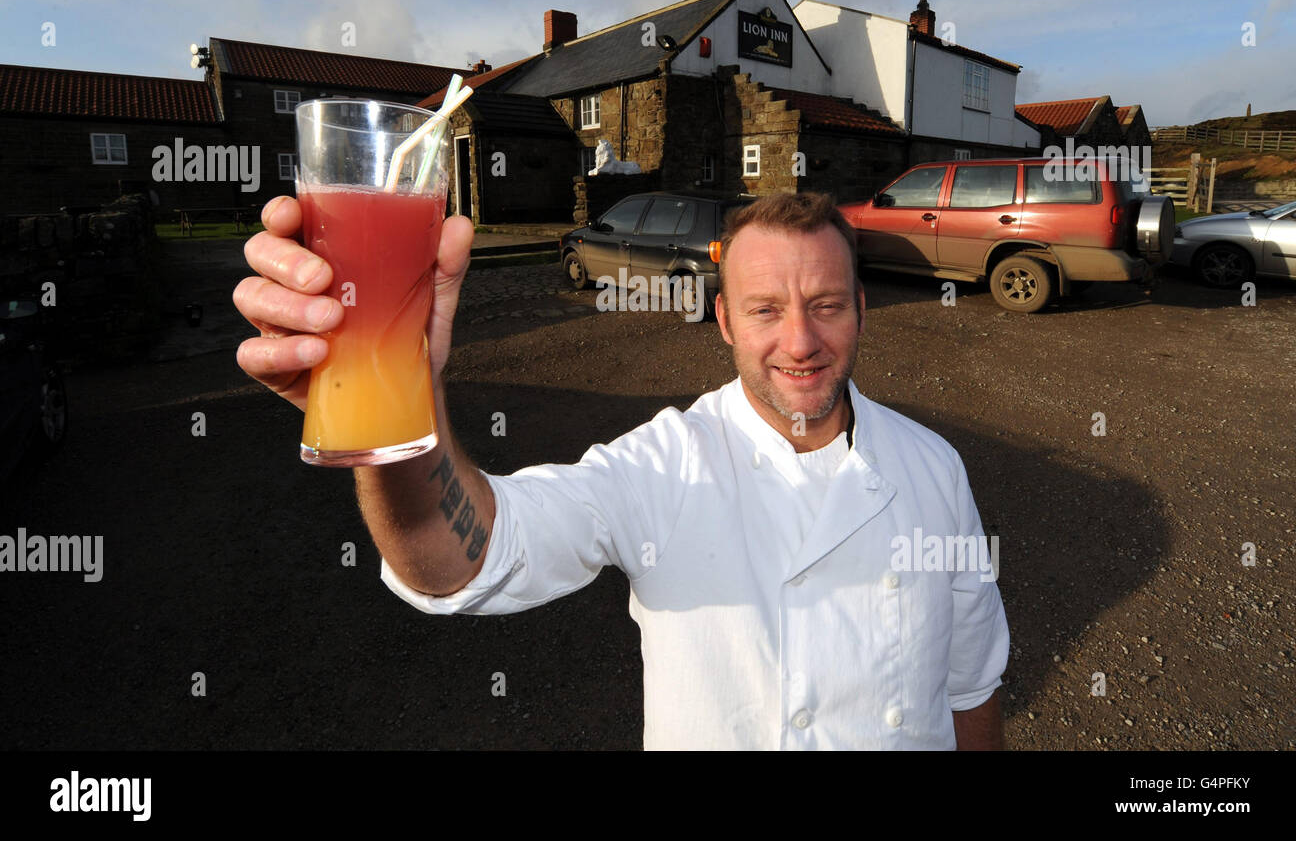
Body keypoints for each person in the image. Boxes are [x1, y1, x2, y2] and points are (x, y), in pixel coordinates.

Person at [234, 190, 1010, 750]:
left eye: (827, 304)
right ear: (726, 322)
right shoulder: (661, 465)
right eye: (767, 309)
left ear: (862, 310)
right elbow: (456, 560)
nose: (801, 340)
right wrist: (398, 396)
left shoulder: (934, 470)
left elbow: (971, 685)